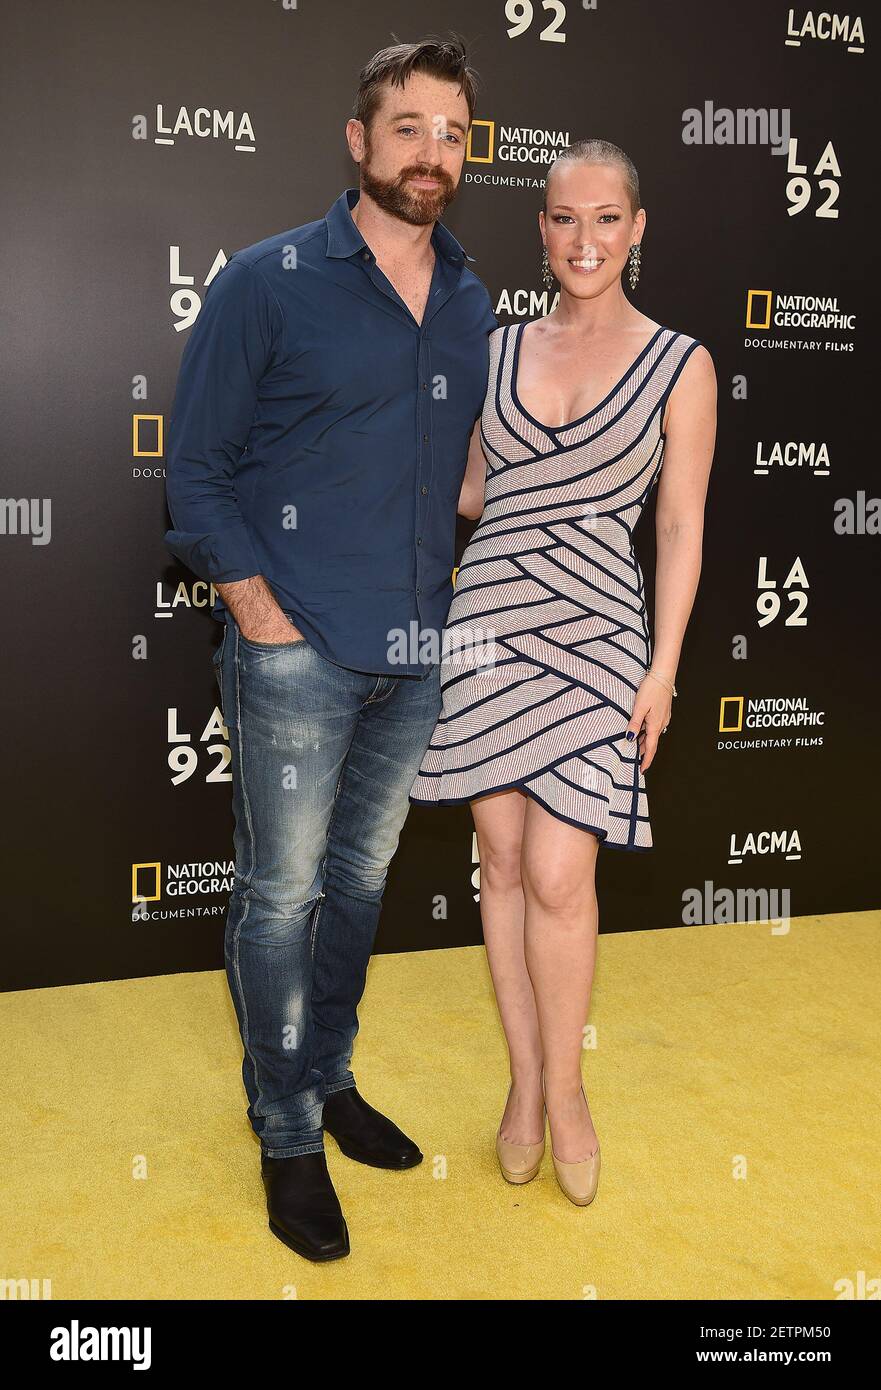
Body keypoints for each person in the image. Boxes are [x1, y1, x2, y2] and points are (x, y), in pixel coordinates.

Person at [163, 35, 496, 1261]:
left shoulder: (469, 297)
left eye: (453, 132)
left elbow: (459, 472)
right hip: (295, 646)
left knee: (356, 886)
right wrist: (260, 612)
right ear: (359, 142)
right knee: (280, 893)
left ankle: (331, 1073)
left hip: (416, 651)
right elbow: (193, 471)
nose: (432, 153)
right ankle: (287, 1130)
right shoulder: (268, 278)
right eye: (408, 127)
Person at [410, 139, 717, 1206]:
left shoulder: (681, 364)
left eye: (604, 218)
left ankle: (571, 1091)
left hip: (598, 639)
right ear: (538, 230)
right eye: (561, 218)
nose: (581, 238)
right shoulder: (493, 351)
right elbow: (466, 493)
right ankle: (525, 1085)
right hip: (491, 624)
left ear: (636, 229)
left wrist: (663, 667)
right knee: (498, 862)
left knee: (556, 874)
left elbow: (676, 527)